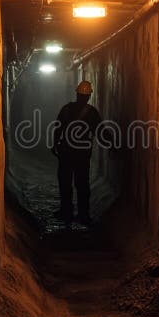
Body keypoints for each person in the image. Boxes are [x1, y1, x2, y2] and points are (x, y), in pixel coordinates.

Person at [51, 80, 102, 224]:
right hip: (82, 155)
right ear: (89, 96)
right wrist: (114, 146)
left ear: (77, 94)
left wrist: (55, 145)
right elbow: (100, 132)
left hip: (66, 153)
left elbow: (58, 128)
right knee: (82, 184)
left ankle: (66, 212)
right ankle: (83, 215)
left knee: (65, 183)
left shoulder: (66, 109)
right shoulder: (91, 113)